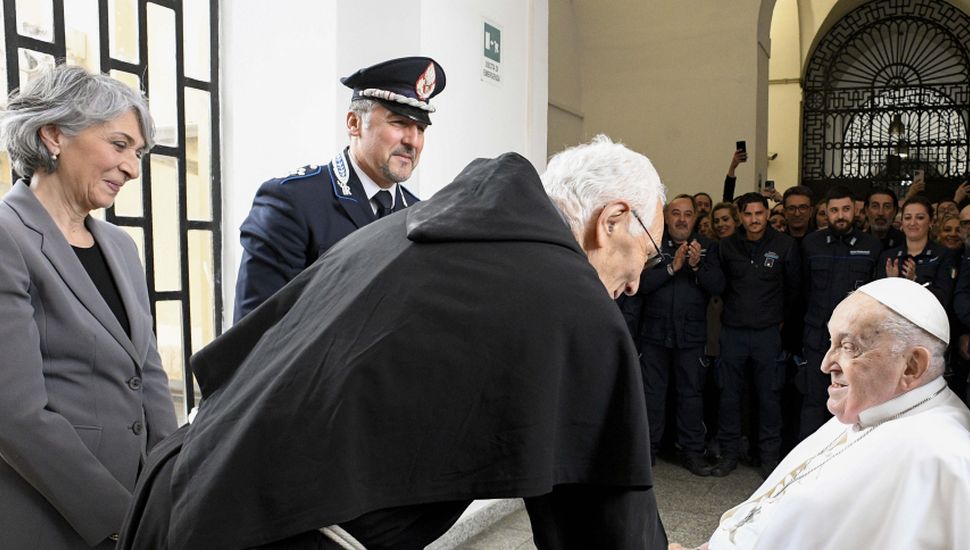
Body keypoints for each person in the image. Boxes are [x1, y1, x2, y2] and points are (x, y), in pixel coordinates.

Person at [117, 136, 670, 550]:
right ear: (613, 219)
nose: (637, 282)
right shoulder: (571, 297)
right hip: (266, 530)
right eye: (648, 250)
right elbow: (599, 501)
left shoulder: (416, 227)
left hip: (184, 485)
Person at [0, 65, 178, 548]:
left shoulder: (121, 246)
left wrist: (172, 493)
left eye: (138, 153)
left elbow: (149, 376)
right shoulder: (6, 236)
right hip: (53, 517)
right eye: (119, 145)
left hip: (142, 509)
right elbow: (14, 415)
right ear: (53, 134)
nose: (134, 168)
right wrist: (123, 521)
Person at [694, 278, 970, 550]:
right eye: (831, 342)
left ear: (911, 365)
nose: (826, 364)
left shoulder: (945, 459)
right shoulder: (876, 407)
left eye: (849, 347)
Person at [233, 56, 446, 321]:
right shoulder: (293, 201)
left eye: (421, 128)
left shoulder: (419, 215)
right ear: (354, 123)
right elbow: (253, 333)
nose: (412, 140)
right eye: (399, 122)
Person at [620, 195, 724, 476]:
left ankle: (692, 452)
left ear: (695, 218)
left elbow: (718, 286)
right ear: (666, 217)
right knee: (652, 395)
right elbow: (638, 285)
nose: (681, 219)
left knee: (691, 395)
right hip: (654, 335)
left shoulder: (708, 247)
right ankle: (648, 452)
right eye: (675, 213)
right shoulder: (652, 246)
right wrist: (672, 268)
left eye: (687, 214)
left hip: (691, 338)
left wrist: (696, 266)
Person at [712, 193, 800, 478]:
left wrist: (780, 322)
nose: (754, 219)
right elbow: (721, 287)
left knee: (769, 397)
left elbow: (793, 290)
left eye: (759, 213)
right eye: (748, 214)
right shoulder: (727, 246)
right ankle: (728, 455)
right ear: (740, 216)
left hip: (767, 334)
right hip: (733, 332)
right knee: (728, 395)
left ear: (767, 213)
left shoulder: (785, 245)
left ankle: (769, 459)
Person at [798, 186, 882, 439]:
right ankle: (805, 465)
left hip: (856, 343)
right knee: (813, 403)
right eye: (834, 210)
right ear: (825, 212)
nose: (840, 215)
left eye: (846, 209)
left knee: (854, 404)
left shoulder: (871, 246)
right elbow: (799, 292)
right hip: (817, 339)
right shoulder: (811, 244)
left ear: (855, 210)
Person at [876, 196, 957, 307]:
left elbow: (943, 299)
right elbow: (877, 300)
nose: (913, 223)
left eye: (920, 217)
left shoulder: (944, 255)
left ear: (931, 222)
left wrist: (915, 280)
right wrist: (892, 282)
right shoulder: (888, 257)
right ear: (901, 223)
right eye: (908, 218)